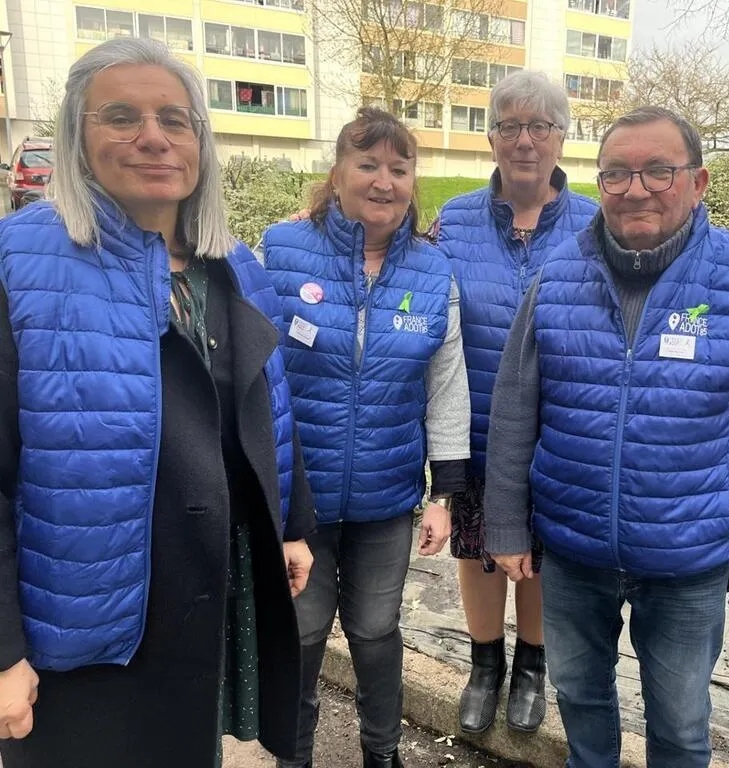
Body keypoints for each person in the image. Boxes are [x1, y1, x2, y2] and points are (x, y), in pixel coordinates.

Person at [0, 37, 316, 768]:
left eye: (176, 119)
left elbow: (269, 408)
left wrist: (289, 524)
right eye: (121, 115)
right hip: (84, 630)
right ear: (76, 133)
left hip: (206, 604)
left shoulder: (232, 264)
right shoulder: (18, 266)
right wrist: (5, 652)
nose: (152, 136)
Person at [484, 105, 729, 768]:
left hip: (687, 559)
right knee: (581, 700)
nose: (635, 190)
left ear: (697, 182)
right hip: (574, 550)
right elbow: (515, 409)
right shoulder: (555, 280)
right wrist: (507, 527)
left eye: (658, 171)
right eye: (616, 175)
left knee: (682, 724)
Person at [263, 107, 471, 768]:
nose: (384, 180)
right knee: (299, 636)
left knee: (377, 630)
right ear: (338, 172)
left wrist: (447, 493)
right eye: (368, 163)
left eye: (399, 167)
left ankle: (382, 756)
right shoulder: (281, 250)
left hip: (387, 499)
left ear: (413, 180)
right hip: (302, 501)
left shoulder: (434, 273)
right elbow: (253, 374)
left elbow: (447, 385)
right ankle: (293, 756)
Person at [431, 70, 597, 735]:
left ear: (561, 136)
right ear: (492, 137)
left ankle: (532, 664)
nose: (524, 140)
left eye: (540, 126)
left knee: (539, 554)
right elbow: (398, 261)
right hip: (475, 423)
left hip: (557, 428)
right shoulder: (455, 219)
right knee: (476, 550)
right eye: (509, 126)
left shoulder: (595, 222)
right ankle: (484, 663)